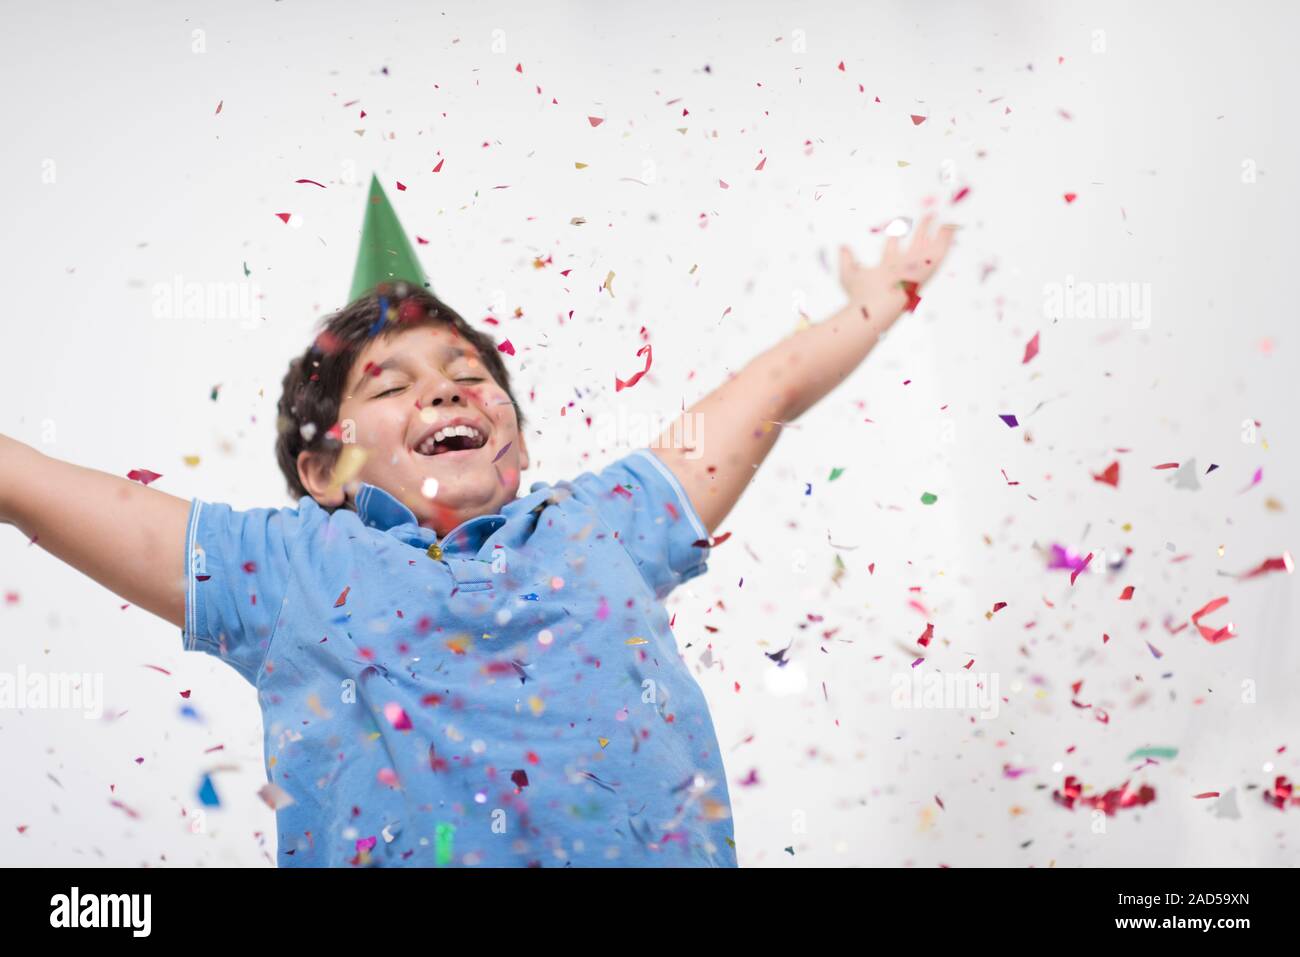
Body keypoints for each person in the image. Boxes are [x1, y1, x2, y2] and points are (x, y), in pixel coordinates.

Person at [0, 177, 955, 866]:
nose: (446, 392)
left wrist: (876, 304)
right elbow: (38, 486)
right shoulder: (288, 565)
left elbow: (771, 389)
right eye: (390, 382)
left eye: (469, 377)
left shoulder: (603, 522)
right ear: (323, 465)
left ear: (521, 444)